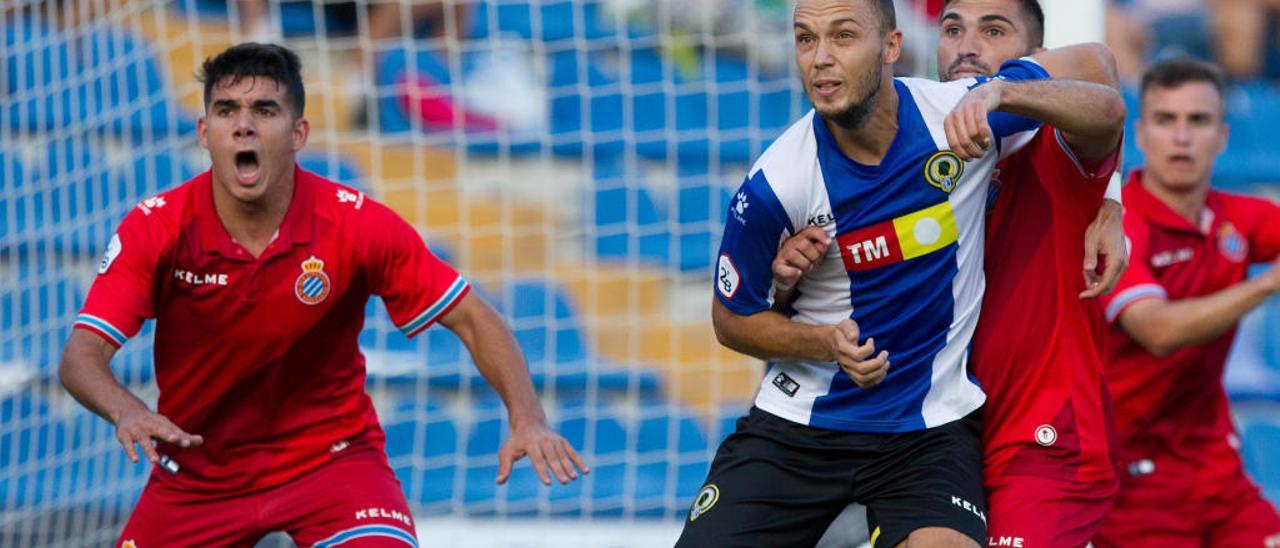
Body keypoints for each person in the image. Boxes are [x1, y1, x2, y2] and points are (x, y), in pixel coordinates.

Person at [57, 43, 586, 547]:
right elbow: (81, 356)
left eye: (265, 109)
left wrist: (527, 418)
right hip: (197, 473)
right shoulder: (159, 227)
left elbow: (473, 317)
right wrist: (127, 410)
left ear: (298, 133)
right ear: (203, 130)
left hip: (331, 463)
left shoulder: (356, 223)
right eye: (226, 110)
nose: (243, 124)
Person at [675, 0, 1122, 545]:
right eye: (804, 39)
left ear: (891, 47)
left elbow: (1100, 83)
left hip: (927, 432)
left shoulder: (963, 116)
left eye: (842, 36)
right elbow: (731, 320)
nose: (820, 59)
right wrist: (821, 341)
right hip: (799, 428)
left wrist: (1111, 192)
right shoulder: (777, 183)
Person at [1093, 57, 1280, 548]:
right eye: (1165, 119)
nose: (1181, 137)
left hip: (1216, 472)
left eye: (1197, 121)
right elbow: (1158, 332)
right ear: (1141, 133)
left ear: (1222, 135)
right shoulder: (1116, 227)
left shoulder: (1235, 217)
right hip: (1129, 478)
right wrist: (1264, 285)